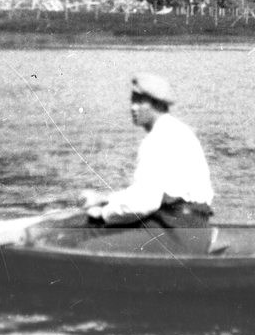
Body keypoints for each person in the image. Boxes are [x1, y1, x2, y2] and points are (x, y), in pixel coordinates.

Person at [80, 73, 214, 250]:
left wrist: (104, 213)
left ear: (158, 104)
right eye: (132, 101)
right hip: (190, 229)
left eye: (140, 102)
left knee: (88, 244)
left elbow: (146, 201)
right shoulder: (176, 130)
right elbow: (147, 191)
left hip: (176, 233)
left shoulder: (157, 140)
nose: (133, 108)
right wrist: (106, 199)